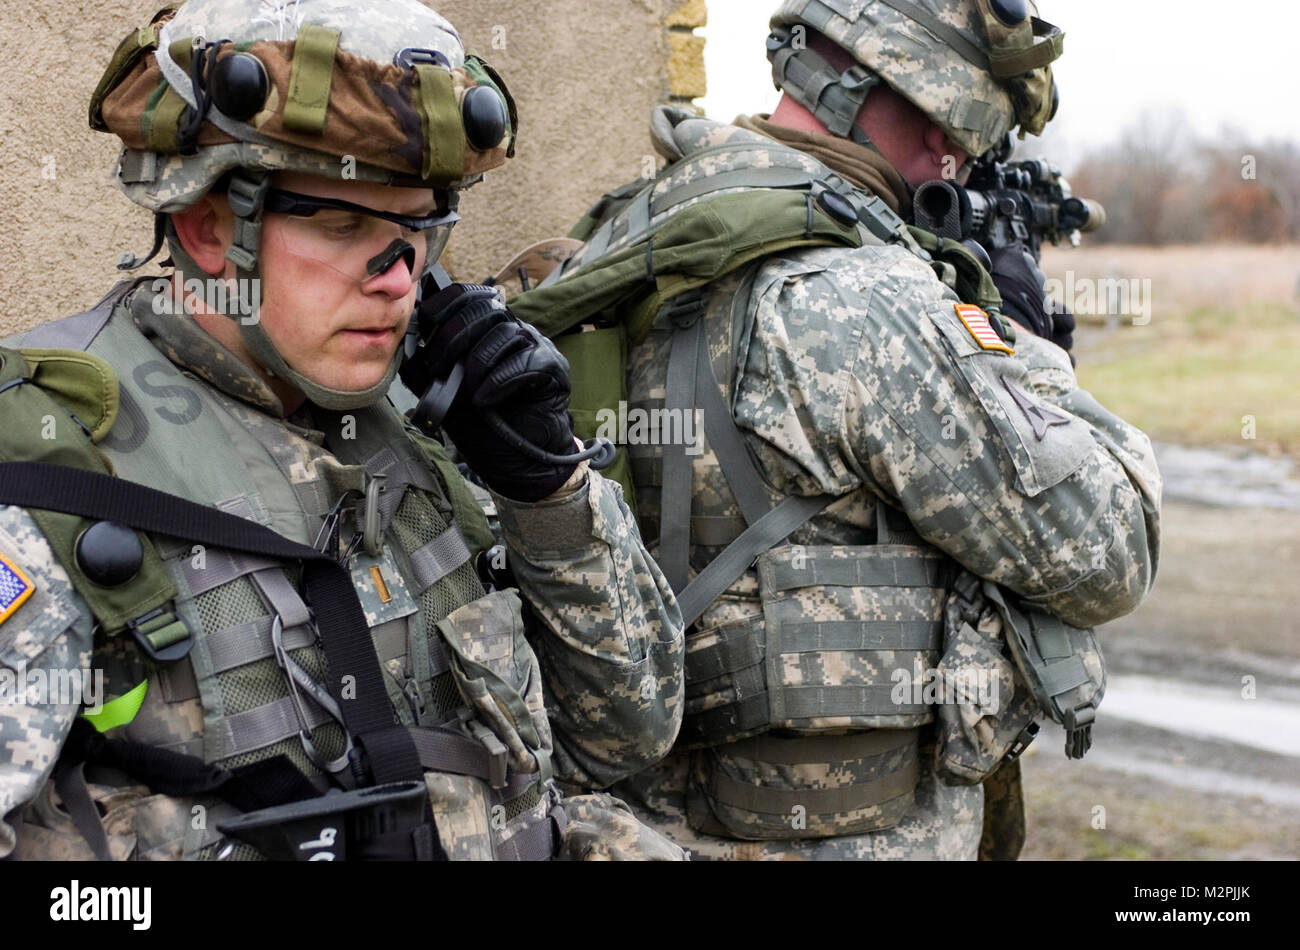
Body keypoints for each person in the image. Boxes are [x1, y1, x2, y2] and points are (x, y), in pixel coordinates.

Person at [0, 0, 684, 861]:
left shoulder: (438, 420)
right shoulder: (47, 466)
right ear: (209, 227)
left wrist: (547, 489)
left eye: (420, 229)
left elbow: (627, 736)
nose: (399, 280)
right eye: (345, 225)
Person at [509, 0, 1161, 860]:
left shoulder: (630, 226)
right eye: (945, 119)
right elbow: (1109, 552)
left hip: (636, 825)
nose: (951, 154)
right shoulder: (867, 298)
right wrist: (1020, 341)